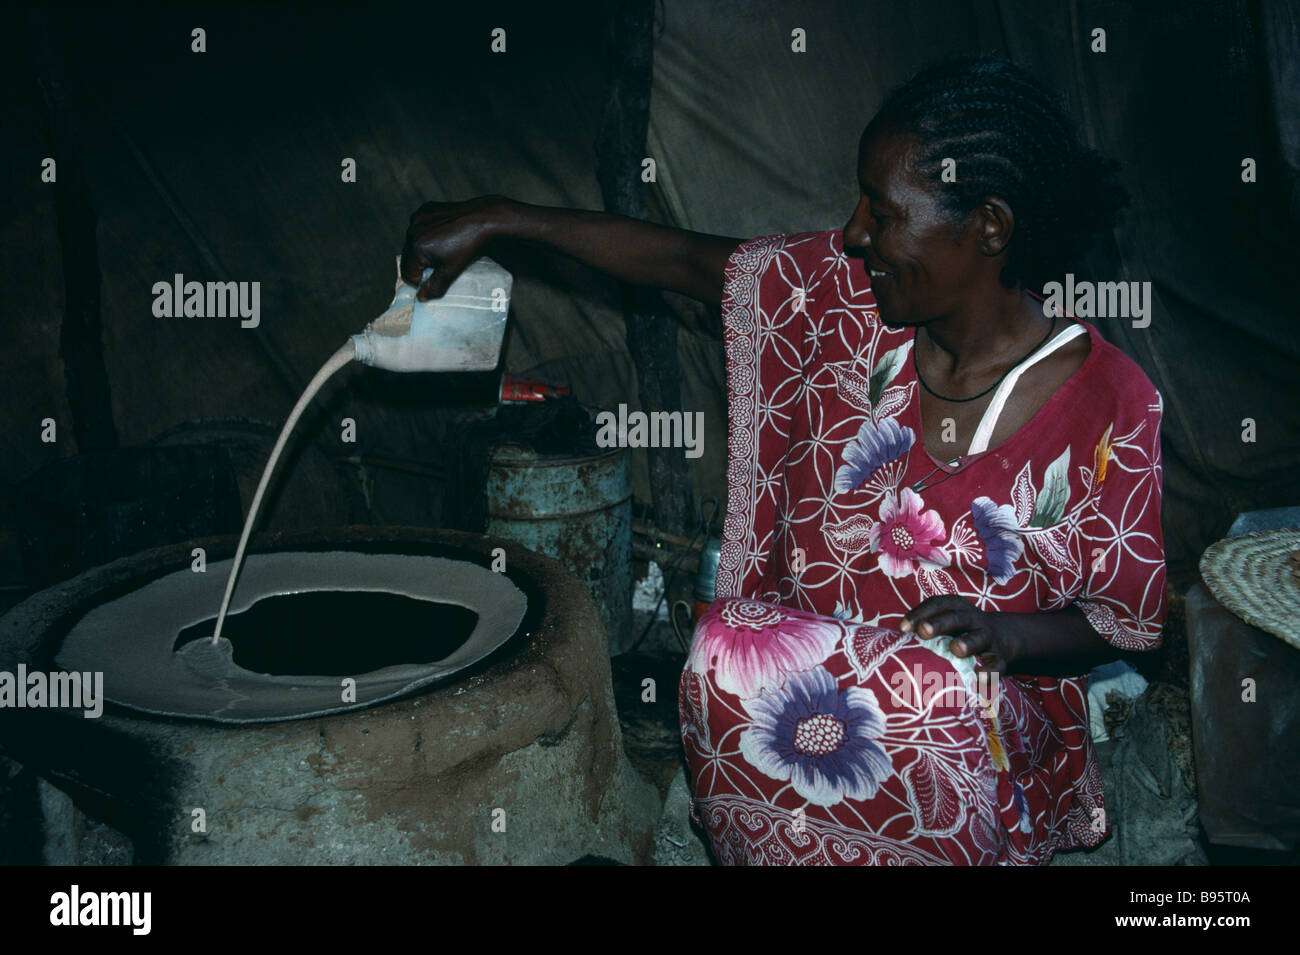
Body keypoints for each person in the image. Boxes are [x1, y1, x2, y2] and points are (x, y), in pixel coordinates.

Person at [401, 54, 1166, 865]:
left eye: (883, 208)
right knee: (725, 650)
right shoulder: (844, 304)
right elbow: (680, 262)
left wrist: (1008, 637)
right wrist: (501, 217)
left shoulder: (1109, 404)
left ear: (988, 228)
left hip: (975, 741)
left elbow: (1123, 620)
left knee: (931, 694)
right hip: (798, 714)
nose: (854, 232)